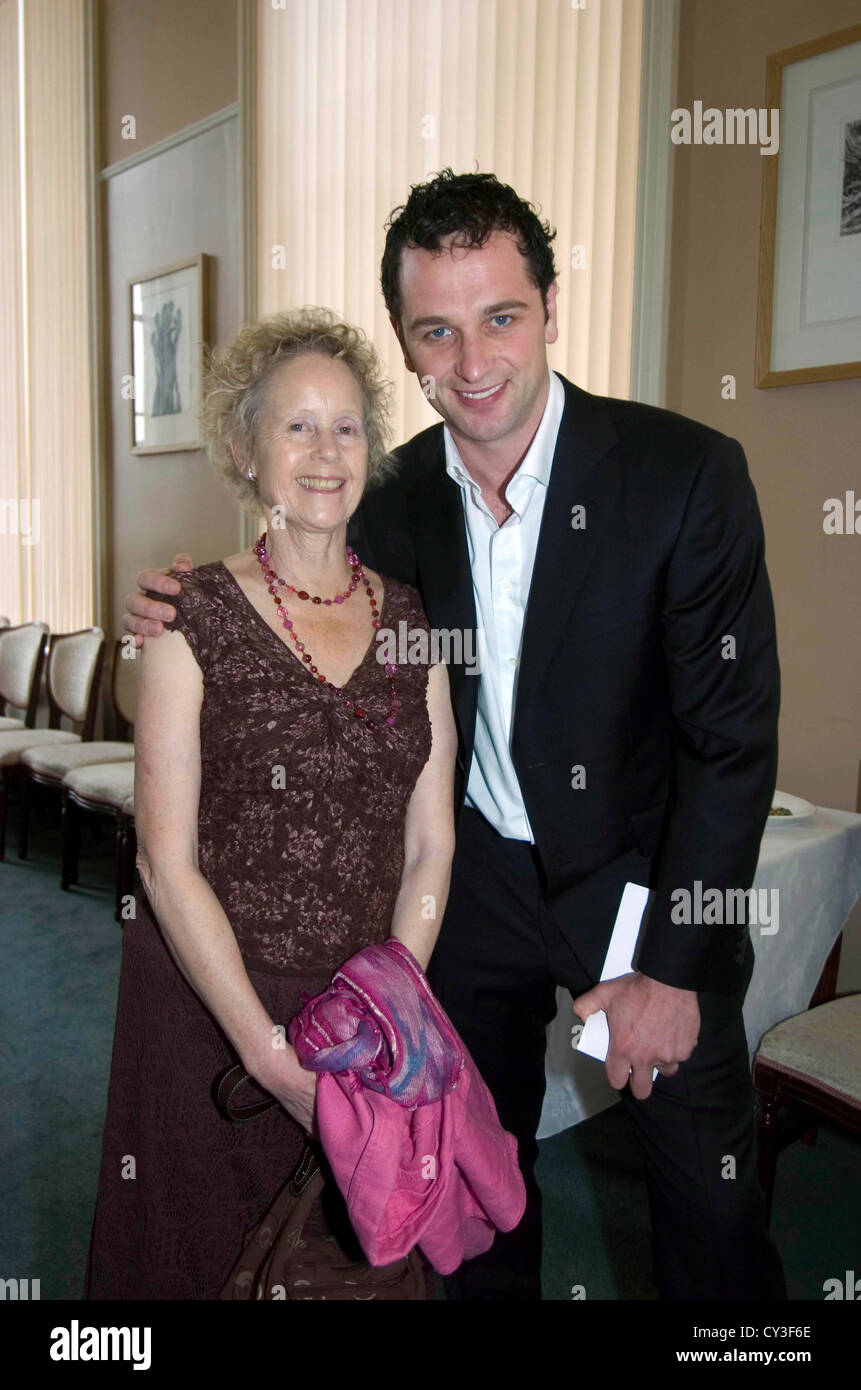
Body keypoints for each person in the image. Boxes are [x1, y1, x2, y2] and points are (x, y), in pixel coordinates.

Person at [125, 170, 788, 1302]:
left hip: (642, 890)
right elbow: (296, 570)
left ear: (550, 310)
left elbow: (731, 743)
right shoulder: (390, 500)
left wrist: (671, 967)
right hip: (466, 887)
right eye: (437, 331)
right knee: (468, 1191)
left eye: (500, 318)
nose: (473, 363)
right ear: (405, 341)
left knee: (710, 1207)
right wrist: (181, 599)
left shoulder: (683, 478)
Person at [86, 309, 457, 1299]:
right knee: (199, 1256)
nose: (325, 452)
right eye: (297, 426)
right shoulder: (186, 616)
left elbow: (431, 839)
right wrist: (267, 1054)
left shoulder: (413, 620)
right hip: (212, 1011)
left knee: (344, 1259)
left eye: (346, 426)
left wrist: (389, 1008)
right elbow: (166, 861)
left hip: (364, 1015)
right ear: (246, 450)